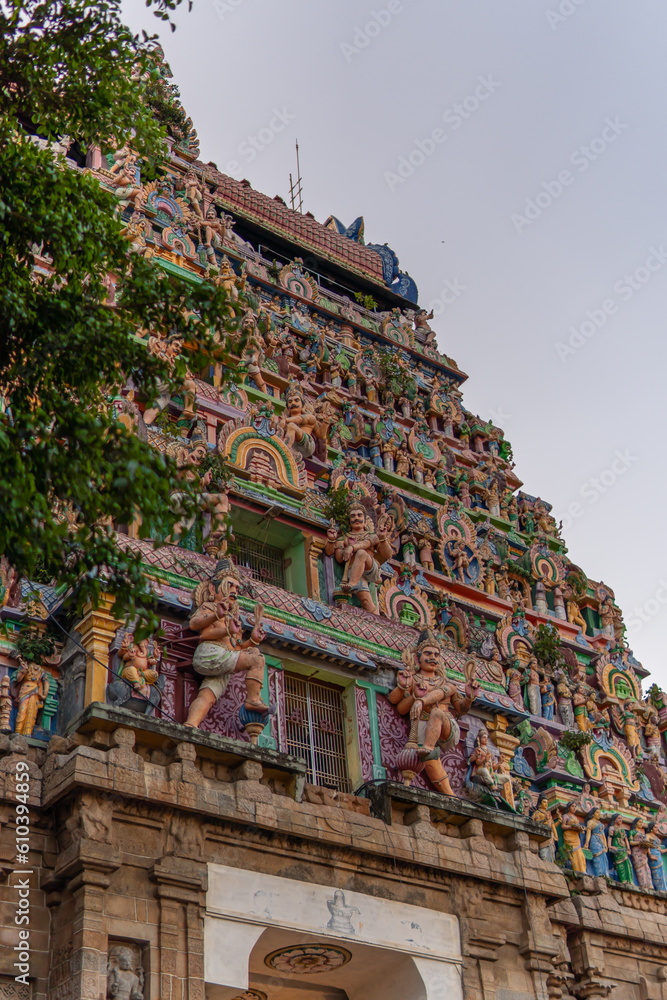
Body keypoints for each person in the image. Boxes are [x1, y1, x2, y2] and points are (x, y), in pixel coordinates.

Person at [185, 560, 268, 728]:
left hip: (224, 659)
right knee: (257, 659)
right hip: (210, 653)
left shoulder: (232, 620)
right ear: (213, 589)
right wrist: (218, 616)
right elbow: (196, 626)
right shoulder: (210, 607)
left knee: (207, 697)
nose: (234, 591)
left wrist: (252, 640)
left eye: (237, 588)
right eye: (229, 585)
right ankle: (253, 699)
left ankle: (190, 725)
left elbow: (236, 648)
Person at [561, 802, 586, 873]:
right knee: (573, 854)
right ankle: (576, 870)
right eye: (572, 806)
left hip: (575, 837)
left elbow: (578, 829)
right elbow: (563, 826)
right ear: (568, 808)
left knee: (580, 855)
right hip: (568, 836)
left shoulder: (576, 818)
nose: (574, 808)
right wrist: (571, 827)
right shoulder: (565, 816)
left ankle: (582, 870)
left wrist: (580, 829)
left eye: (575, 806)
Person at [583, 807, 608, 877]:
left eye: (599, 812)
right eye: (597, 812)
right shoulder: (590, 822)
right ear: (593, 814)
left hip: (602, 842)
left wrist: (606, 845)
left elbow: (603, 835)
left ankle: (605, 875)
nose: (599, 814)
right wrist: (586, 843)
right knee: (597, 859)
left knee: (604, 858)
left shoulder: (601, 823)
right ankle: (599, 874)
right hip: (595, 841)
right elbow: (588, 833)